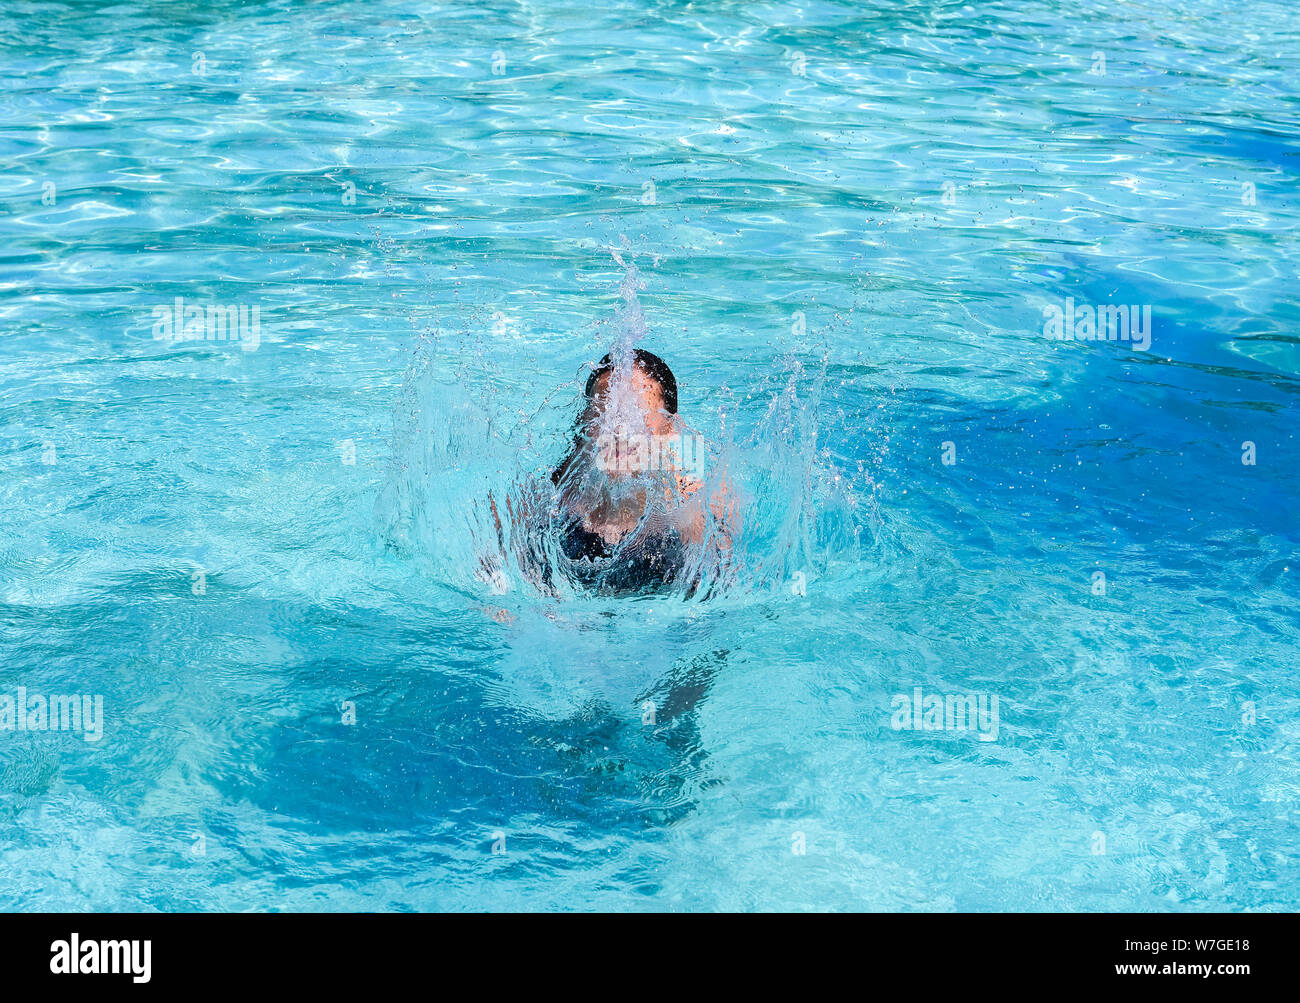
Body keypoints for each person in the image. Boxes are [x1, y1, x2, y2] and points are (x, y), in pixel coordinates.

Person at [487, 349, 736, 597]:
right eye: (603, 413)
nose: (618, 429)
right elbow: (492, 555)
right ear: (584, 423)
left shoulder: (697, 499)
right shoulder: (548, 498)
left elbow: (726, 582)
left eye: (636, 414)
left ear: (669, 429)